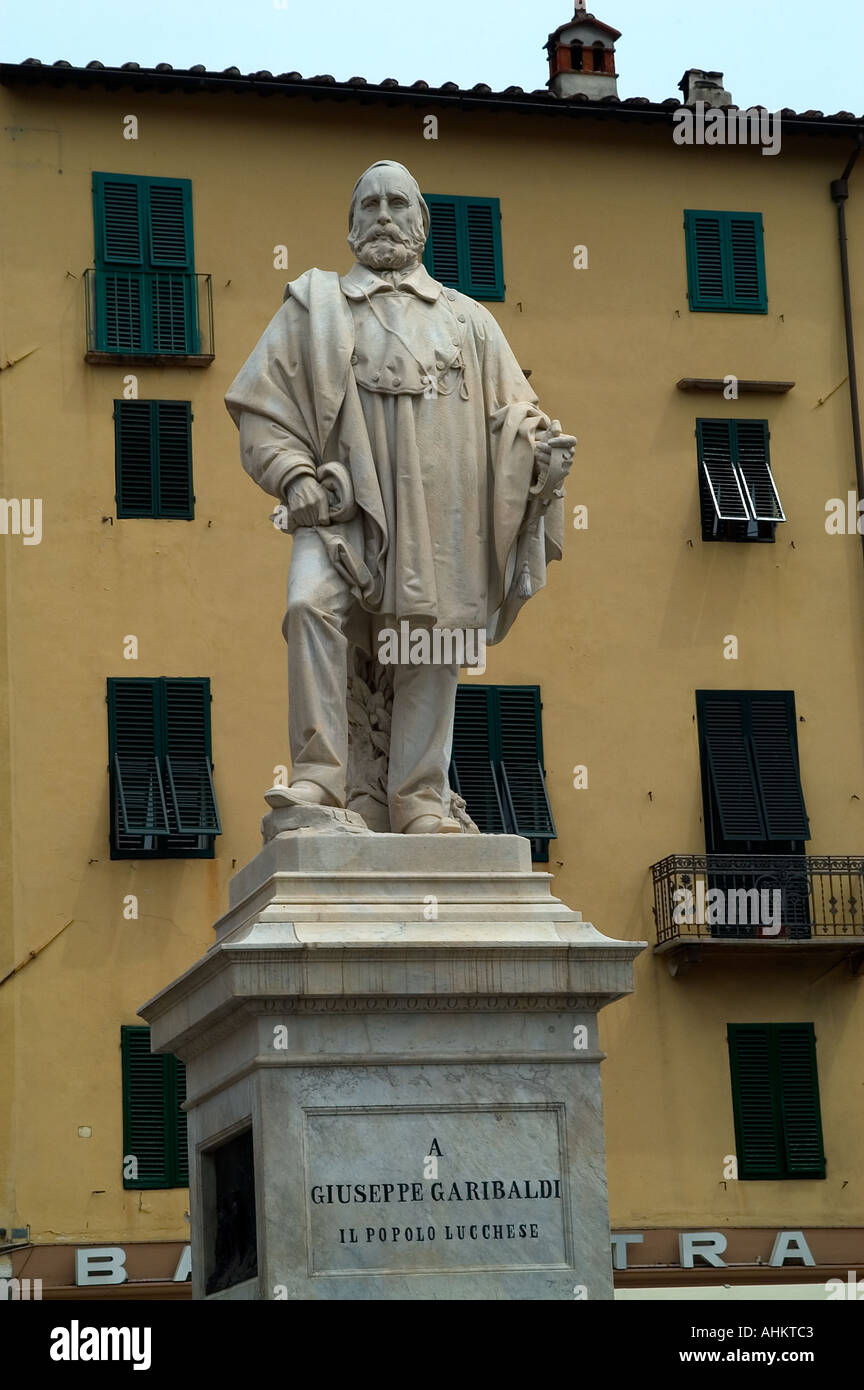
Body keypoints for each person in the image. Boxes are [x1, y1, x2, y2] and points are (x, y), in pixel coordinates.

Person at [225, 160, 574, 833]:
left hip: (444, 514)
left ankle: (419, 800)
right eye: (371, 205)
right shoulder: (313, 308)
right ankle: (320, 783)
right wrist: (293, 474)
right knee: (309, 607)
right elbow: (261, 410)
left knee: (431, 644)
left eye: (397, 204)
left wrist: (539, 453)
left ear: (422, 224)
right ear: (352, 225)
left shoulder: (468, 321)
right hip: (340, 513)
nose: (383, 215)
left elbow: (515, 413)